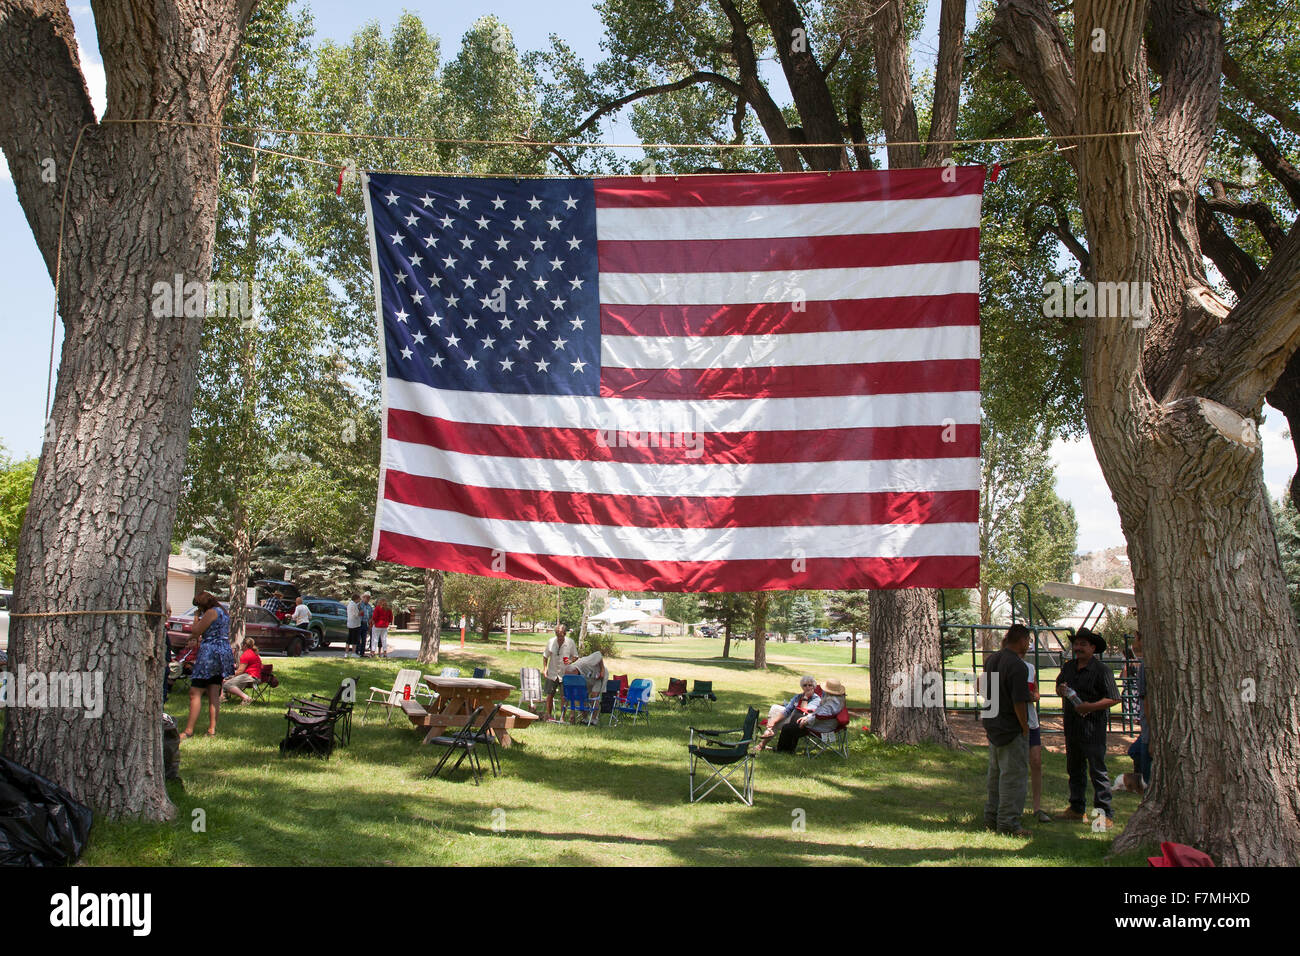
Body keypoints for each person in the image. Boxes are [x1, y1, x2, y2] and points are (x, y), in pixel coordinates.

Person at [1056, 627, 1121, 828]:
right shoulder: (1068, 667)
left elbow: (1114, 698)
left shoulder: (1102, 671)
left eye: (1083, 644)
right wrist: (1061, 690)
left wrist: (1089, 707)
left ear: (1093, 647)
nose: (1078, 648)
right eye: (1076, 644)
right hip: (1072, 727)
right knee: (1074, 769)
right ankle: (1077, 808)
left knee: (1097, 771)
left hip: (1093, 728)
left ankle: (1104, 814)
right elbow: (1059, 687)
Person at [982, 623, 1033, 837]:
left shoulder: (991, 660)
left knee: (995, 776)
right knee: (1013, 777)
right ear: (1021, 640)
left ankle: (991, 818)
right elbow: (1019, 702)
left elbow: (985, 690)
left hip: (993, 724)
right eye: (1028, 641)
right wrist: (1024, 726)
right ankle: (1009, 824)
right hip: (1011, 728)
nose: (1028, 645)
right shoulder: (1018, 666)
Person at [181, 592, 235, 739]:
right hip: (222, 652)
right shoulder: (223, 612)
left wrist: (196, 617)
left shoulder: (211, 613)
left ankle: (188, 731)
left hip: (209, 653)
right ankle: (212, 730)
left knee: (195, 691)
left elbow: (196, 631)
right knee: (213, 691)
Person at [1024, 645, 1052, 824]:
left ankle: (1037, 807)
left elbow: (1036, 693)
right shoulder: (1003, 665)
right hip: (1012, 723)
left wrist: (1032, 696)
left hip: (1031, 722)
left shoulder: (1030, 668)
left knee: (1036, 761)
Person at [756, 676, 820, 752]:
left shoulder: (816, 699)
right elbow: (787, 711)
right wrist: (773, 721)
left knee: (776, 713)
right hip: (793, 720)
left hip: (803, 723)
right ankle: (769, 731)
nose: (807, 687)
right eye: (805, 685)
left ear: (814, 687)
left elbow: (804, 712)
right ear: (802, 687)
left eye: (810, 685)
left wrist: (806, 697)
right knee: (775, 708)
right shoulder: (798, 697)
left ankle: (764, 740)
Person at [541, 624, 577, 720]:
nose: (559, 637)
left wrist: (570, 661)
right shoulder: (551, 642)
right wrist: (545, 669)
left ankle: (562, 717)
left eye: (560, 635)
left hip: (564, 673)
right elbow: (545, 656)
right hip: (552, 673)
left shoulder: (570, 643)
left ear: (564, 634)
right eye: (557, 634)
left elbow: (575, 656)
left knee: (564, 697)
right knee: (549, 695)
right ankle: (548, 715)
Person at [222, 637, 263, 704]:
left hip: (251, 676)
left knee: (227, 684)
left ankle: (246, 698)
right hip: (255, 676)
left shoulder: (246, 654)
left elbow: (240, 671)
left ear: (245, 645)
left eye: (242, 644)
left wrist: (232, 677)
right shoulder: (254, 653)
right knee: (225, 679)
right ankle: (223, 697)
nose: (241, 646)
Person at [345, 593, 362, 658]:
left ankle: (346, 653)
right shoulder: (354, 605)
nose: (359, 600)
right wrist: (360, 612)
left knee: (349, 638)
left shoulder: (350, 604)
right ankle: (353, 652)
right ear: (356, 599)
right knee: (354, 639)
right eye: (358, 599)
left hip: (350, 623)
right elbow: (356, 614)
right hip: (355, 624)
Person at [359, 592, 374, 658]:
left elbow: (371, 615)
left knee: (364, 638)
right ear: (363, 597)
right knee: (358, 638)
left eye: (369, 598)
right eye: (366, 598)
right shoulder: (359, 605)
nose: (367, 599)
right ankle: (356, 651)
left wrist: (370, 622)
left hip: (365, 623)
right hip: (359, 622)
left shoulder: (369, 606)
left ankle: (362, 653)